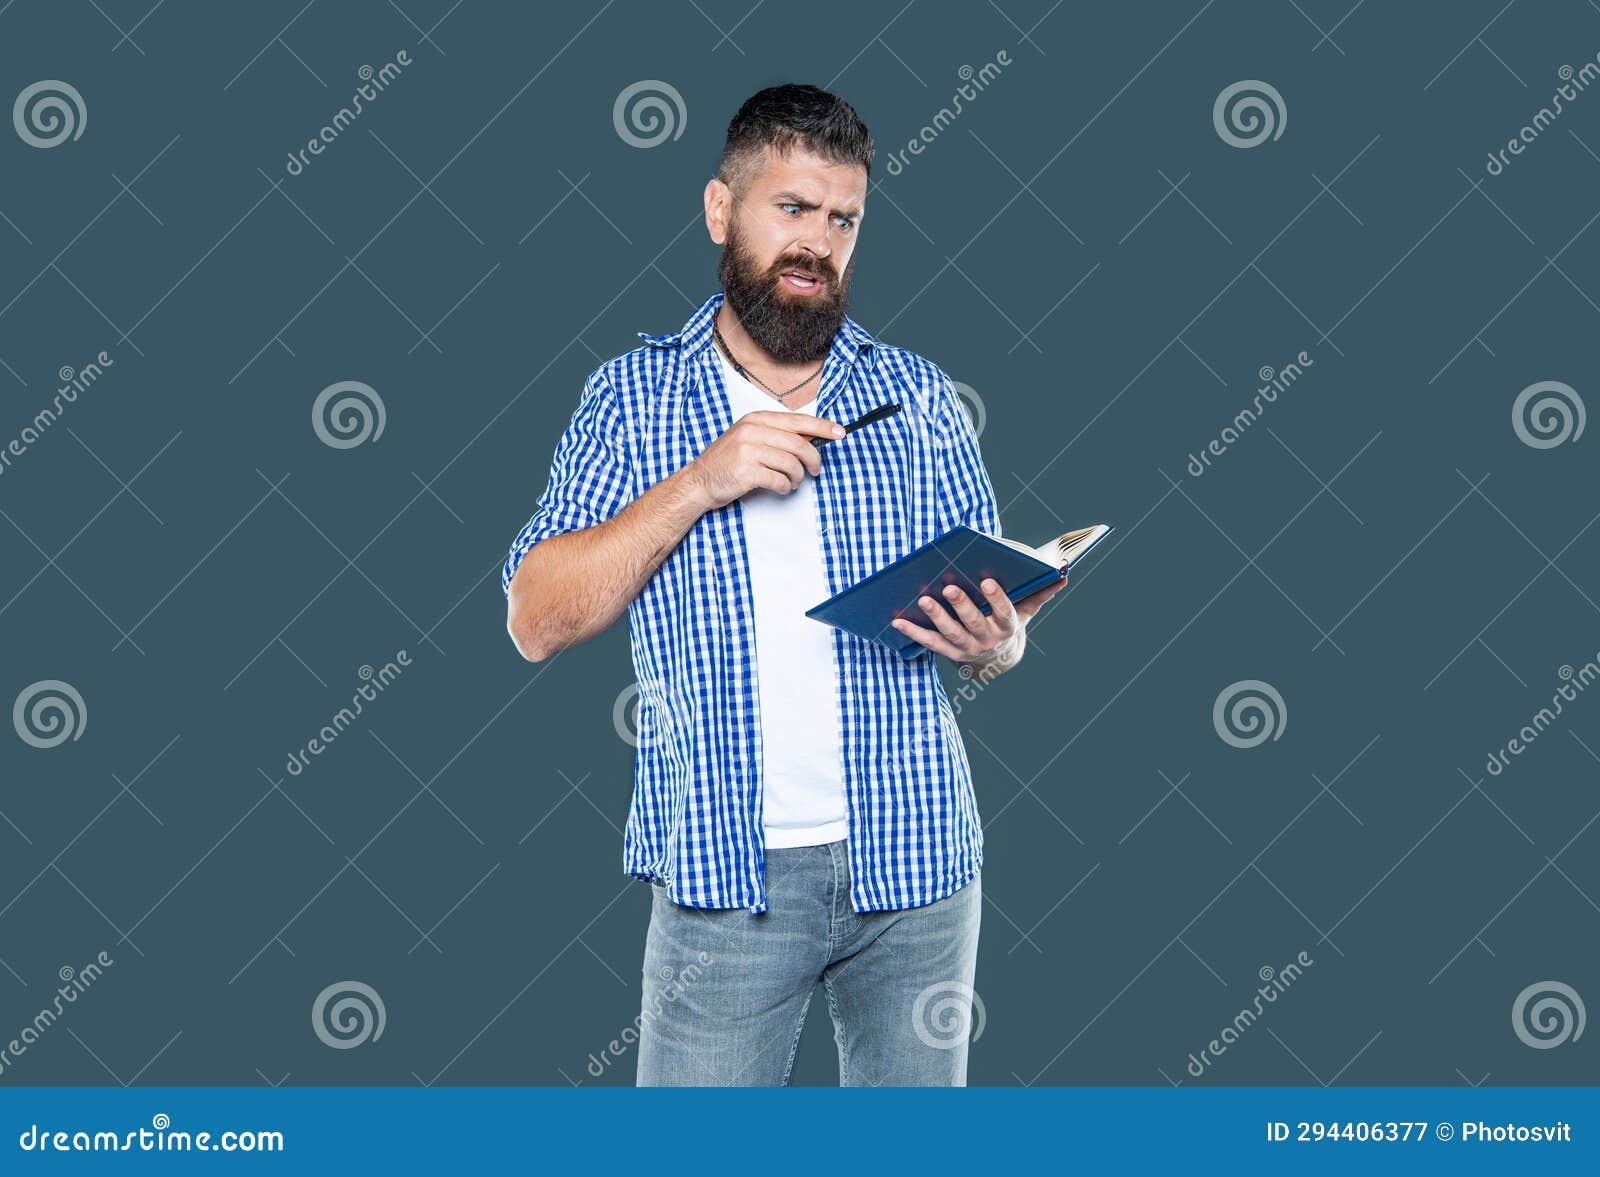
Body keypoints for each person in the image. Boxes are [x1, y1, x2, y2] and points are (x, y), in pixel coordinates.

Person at [502, 83, 1065, 1086]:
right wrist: (701, 482)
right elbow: (535, 619)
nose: (818, 242)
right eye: (793, 207)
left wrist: (998, 644)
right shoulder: (631, 399)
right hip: (725, 881)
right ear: (722, 210)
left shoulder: (918, 394)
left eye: (843, 218)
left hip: (919, 868)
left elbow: (991, 624)